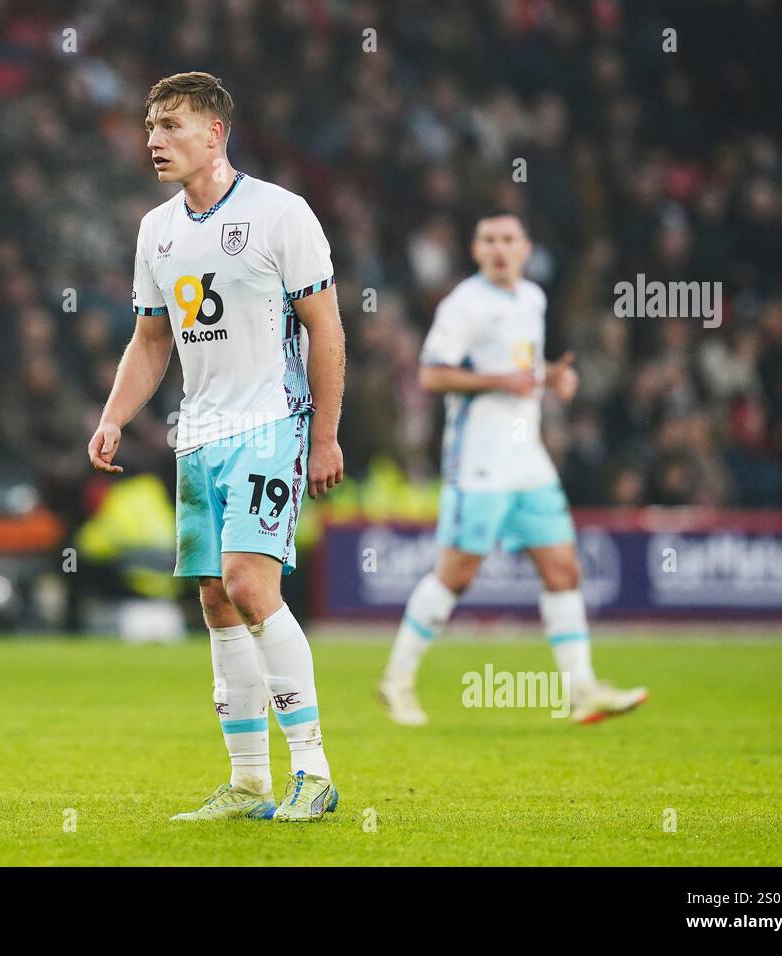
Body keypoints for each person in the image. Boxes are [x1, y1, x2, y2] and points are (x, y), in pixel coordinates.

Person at [87, 72, 346, 821]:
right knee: (216, 601)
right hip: (197, 433)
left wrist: (324, 433)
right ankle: (248, 783)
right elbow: (150, 339)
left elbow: (326, 328)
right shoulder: (156, 229)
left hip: (272, 423)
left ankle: (316, 772)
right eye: (149, 127)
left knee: (249, 583)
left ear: (214, 133)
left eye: (169, 125)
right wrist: (112, 416)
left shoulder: (280, 214)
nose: (153, 140)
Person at [377, 211, 647, 726]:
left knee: (563, 569)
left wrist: (551, 380)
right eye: (489, 240)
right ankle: (397, 680)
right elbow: (432, 374)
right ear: (476, 251)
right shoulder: (465, 304)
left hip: (528, 459)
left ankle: (582, 689)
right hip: (478, 461)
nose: (499, 249)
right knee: (457, 575)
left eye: (509, 240)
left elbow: (523, 371)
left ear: (525, 249)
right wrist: (500, 382)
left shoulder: (533, 299)